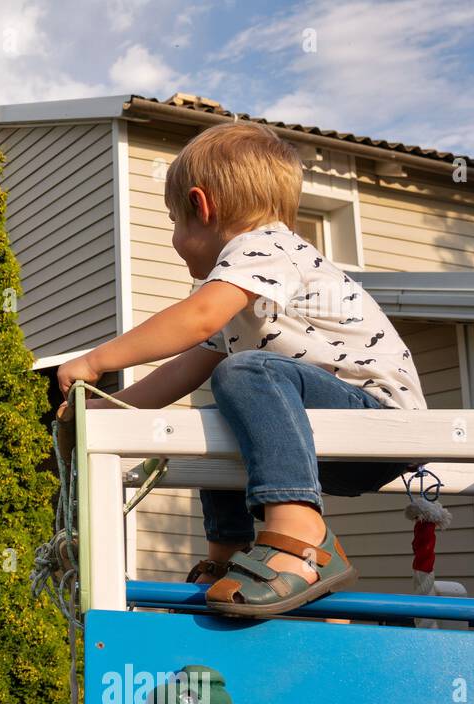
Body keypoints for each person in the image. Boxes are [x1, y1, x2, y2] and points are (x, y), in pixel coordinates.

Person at [56, 121, 424, 617]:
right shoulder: (247, 288)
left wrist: (96, 360)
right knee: (221, 410)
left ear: (200, 206)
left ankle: (301, 535)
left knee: (245, 375)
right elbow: (183, 369)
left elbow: (197, 319)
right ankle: (227, 554)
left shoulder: (263, 246)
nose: (173, 236)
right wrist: (106, 410)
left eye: (172, 220)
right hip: (321, 432)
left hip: (377, 415)